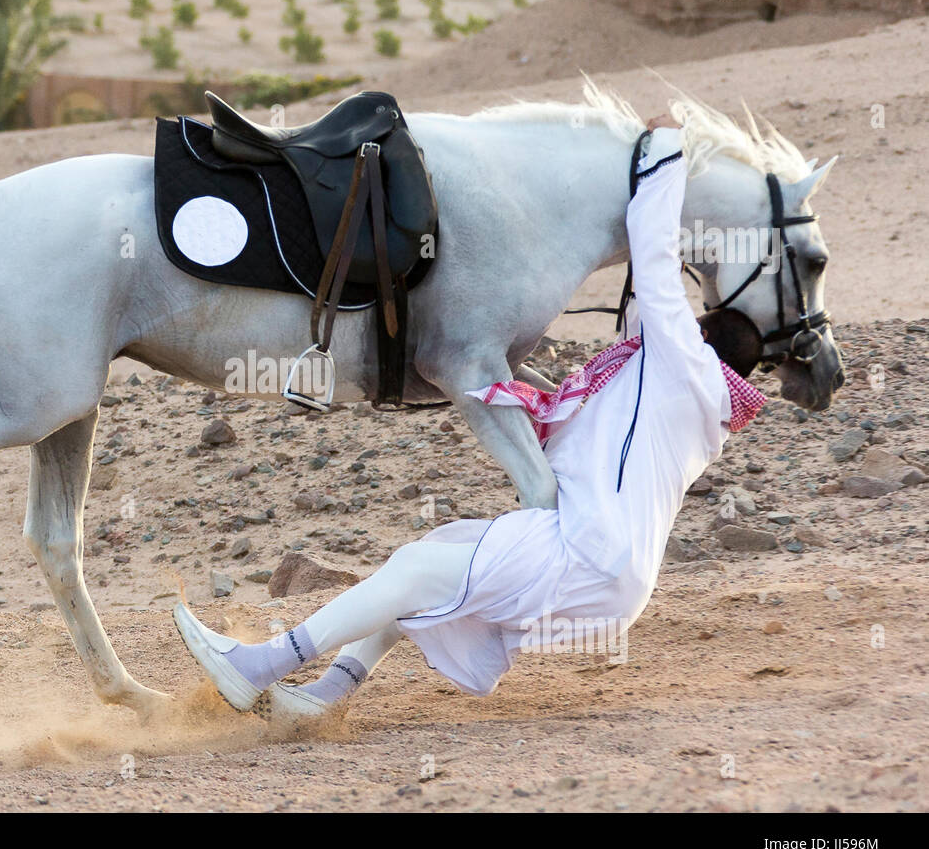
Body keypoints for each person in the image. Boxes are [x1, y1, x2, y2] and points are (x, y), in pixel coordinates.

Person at [173, 116, 768, 725]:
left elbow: (659, 268)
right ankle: (323, 697)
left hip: (586, 551)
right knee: (432, 560)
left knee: (417, 572)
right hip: (612, 579)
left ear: (700, 342)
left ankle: (261, 666)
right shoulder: (682, 399)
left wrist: (663, 153)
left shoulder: (684, 367)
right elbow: (643, 303)